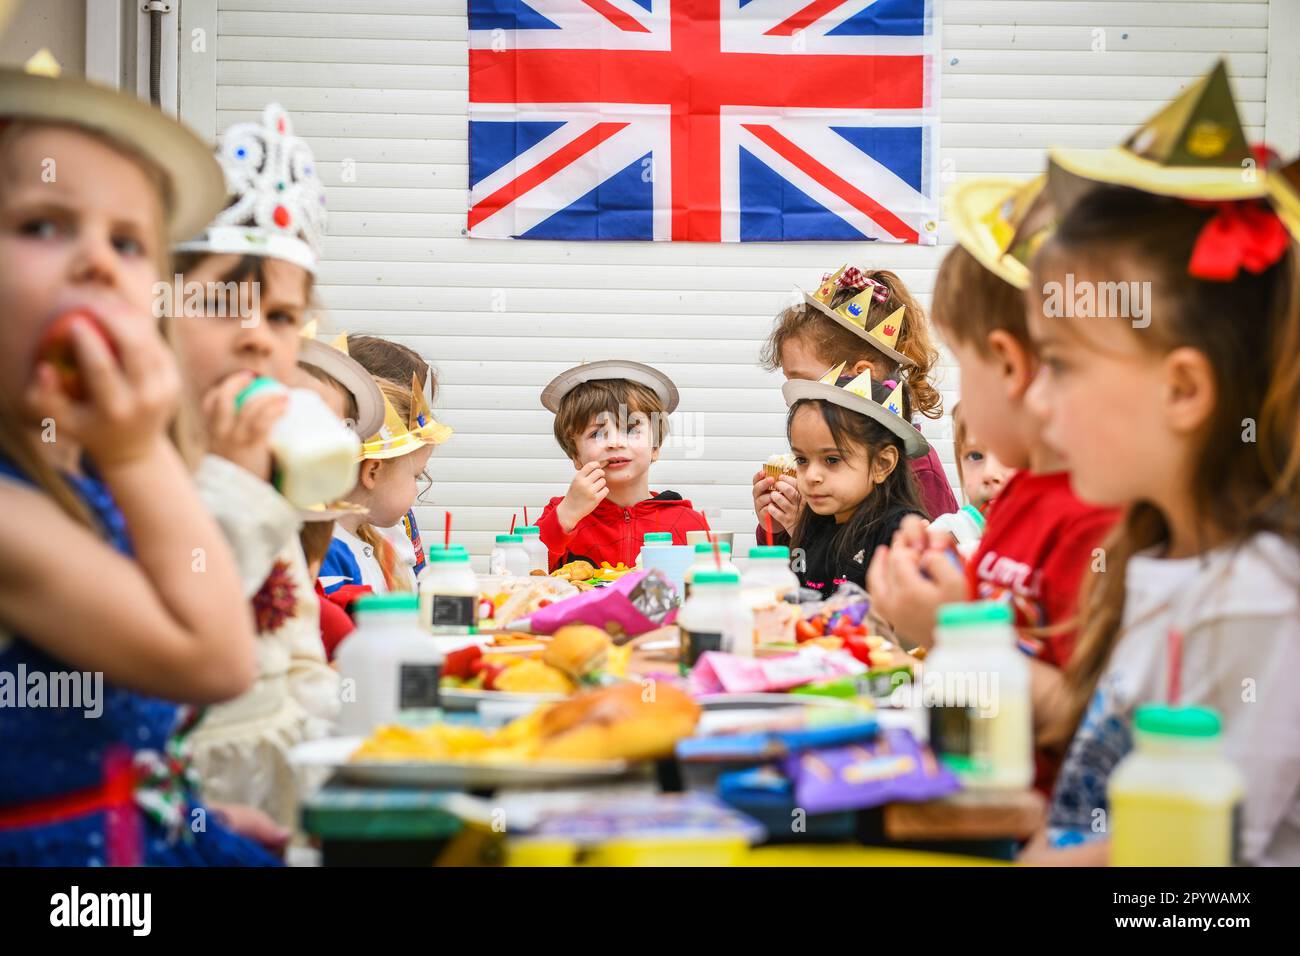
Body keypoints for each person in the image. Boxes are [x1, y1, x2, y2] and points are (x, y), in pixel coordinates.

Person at [1019, 64, 1300, 864]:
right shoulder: (1156, 555)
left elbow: (1188, 871)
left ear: (1184, 389)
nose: (1039, 402)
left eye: (1062, 364)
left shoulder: (1257, 598)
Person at [0, 58, 278, 865]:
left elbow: (110, 744)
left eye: (128, 242)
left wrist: (191, 815)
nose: (97, 262)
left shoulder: (75, 480)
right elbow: (214, 658)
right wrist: (138, 447)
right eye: (44, 224)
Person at [755, 266, 956, 540]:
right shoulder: (817, 466)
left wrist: (802, 530)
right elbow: (795, 574)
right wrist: (775, 526)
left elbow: (931, 571)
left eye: (804, 382)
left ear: (861, 375)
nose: (794, 398)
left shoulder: (918, 472)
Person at [535, 361, 708, 569]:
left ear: (655, 447)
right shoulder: (561, 514)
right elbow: (521, 575)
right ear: (575, 455)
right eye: (597, 434)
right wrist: (566, 515)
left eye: (631, 430)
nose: (615, 443)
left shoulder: (690, 524)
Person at [782, 366, 928, 599]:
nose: (811, 476)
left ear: (882, 464)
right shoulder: (812, 527)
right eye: (802, 459)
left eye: (832, 459)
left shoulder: (901, 534)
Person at [319, 377, 451, 594]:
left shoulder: (363, 541)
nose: (417, 491)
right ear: (373, 471)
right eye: (415, 476)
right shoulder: (328, 557)